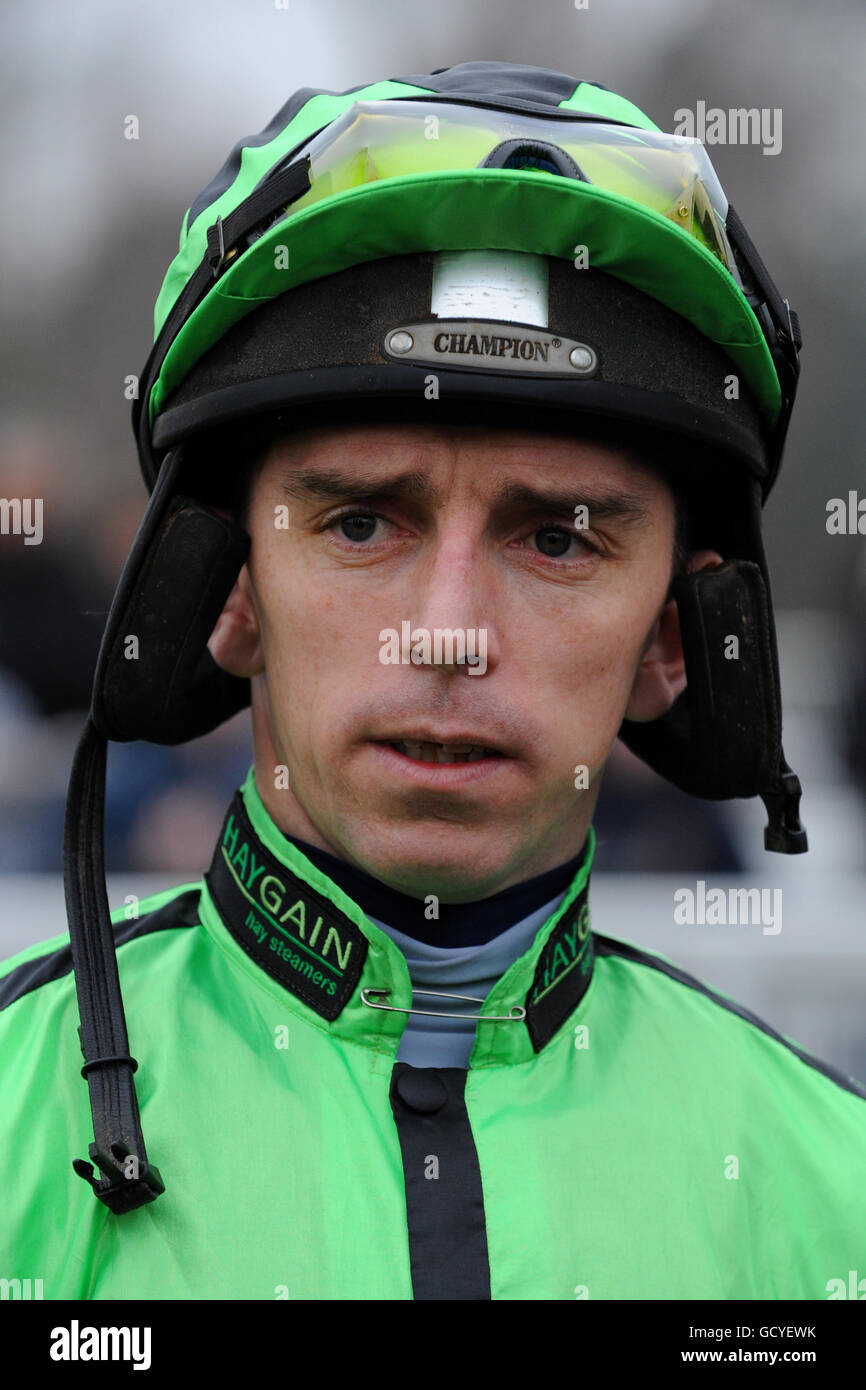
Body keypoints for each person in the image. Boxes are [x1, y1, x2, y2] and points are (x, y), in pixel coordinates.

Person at [1, 60, 864, 1302]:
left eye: (557, 538)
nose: (446, 635)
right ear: (223, 595)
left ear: (676, 639)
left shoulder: (824, 1194)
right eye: (360, 524)